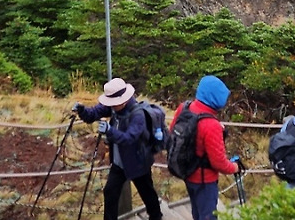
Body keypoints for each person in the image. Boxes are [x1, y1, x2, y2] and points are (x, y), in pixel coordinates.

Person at [72, 77, 162, 220]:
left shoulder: (138, 114)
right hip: (120, 163)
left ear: (123, 100)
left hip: (138, 161)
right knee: (110, 192)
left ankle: (156, 216)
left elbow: (129, 139)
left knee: (147, 192)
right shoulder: (115, 106)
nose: (111, 106)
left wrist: (109, 131)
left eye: (114, 103)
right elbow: (93, 114)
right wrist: (82, 111)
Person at [171, 75, 239, 220]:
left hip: (186, 171)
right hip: (204, 180)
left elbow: (173, 132)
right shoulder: (211, 125)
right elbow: (218, 162)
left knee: (197, 212)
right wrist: (234, 167)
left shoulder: (184, 108)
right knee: (208, 215)